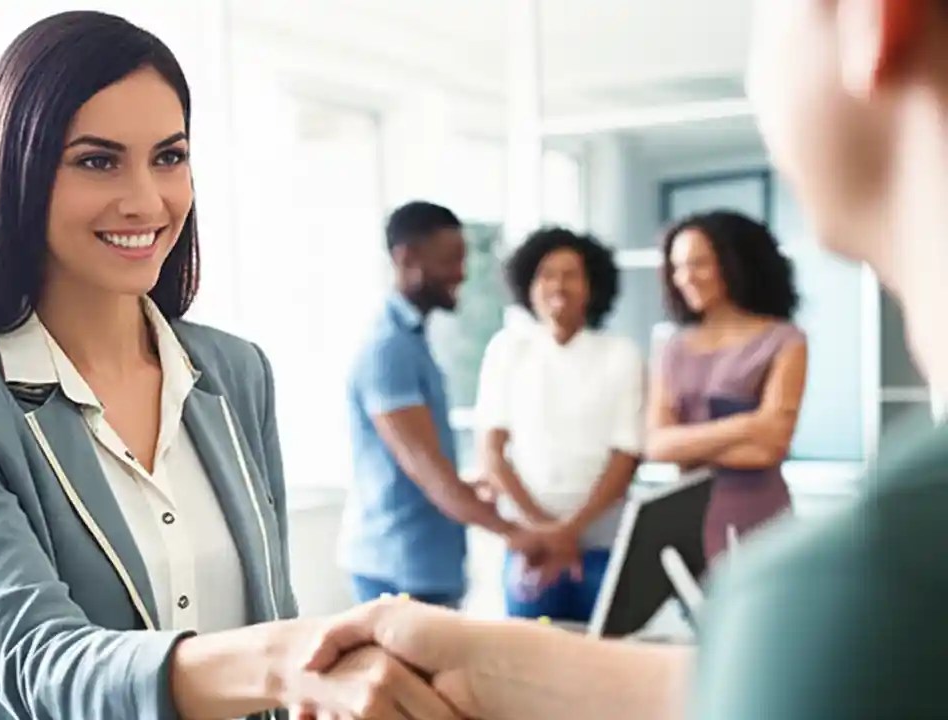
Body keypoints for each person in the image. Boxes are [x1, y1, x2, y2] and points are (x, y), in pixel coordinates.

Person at [304, 0, 948, 718]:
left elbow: (685, 445)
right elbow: (659, 449)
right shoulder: (844, 589)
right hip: (477, 556)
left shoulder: (842, 592)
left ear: (876, 21)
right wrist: (516, 585)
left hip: (615, 537)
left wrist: (567, 530)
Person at [0, 12, 460, 720]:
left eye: (169, 157)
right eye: (97, 160)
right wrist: (283, 665)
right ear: (21, 173)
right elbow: (34, 661)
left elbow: (272, 610)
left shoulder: (235, 374)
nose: (147, 200)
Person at [342, 201, 531, 607]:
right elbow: (431, 476)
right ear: (406, 258)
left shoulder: (411, 340)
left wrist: (469, 487)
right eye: (450, 260)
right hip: (398, 571)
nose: (461, 273)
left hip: (424, 566)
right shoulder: (388, 349)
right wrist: (519, 535)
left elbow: (425, 471)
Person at [475, 227, 643, 622]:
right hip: (530, 545)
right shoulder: (506, 350)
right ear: (529, 284)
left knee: (601, 661)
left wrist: (571, 530)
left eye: (571, 275)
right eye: (547, 274)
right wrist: (545, 530)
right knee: (525, 662)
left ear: (592, 286)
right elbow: (492, 453)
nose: (558, 285)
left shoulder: (621, 354)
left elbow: (626, 455)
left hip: (603, 543)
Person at [649, 210, 808, 561]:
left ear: (734, 264)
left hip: (761, 518)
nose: (686, 278)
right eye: (678, 267)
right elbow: (657, 444)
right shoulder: (672, 346)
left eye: (699, 264)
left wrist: (689, 445)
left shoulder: (784, 340)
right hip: (687, 518)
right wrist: (749, 424)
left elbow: (769, 448)